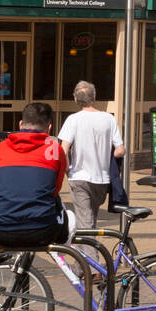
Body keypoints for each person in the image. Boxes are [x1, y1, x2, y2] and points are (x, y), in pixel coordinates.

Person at [0, 102, 71, 247]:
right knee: (61, 210)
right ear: (49, 127)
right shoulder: (54, 150)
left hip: (0, 231)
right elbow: (55, 190)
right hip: (43, 231)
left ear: (20, 124)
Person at [58, 80, 125, 231]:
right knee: (90, 220)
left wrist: (68, 171)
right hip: (102, 179)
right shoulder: (109, 119)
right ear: (94, 97)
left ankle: (89, 255)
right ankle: (89, 253)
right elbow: (120, 150)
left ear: (75, 99)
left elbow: (63, 150)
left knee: (85, 226)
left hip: (79, 177)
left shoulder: (73, 120)